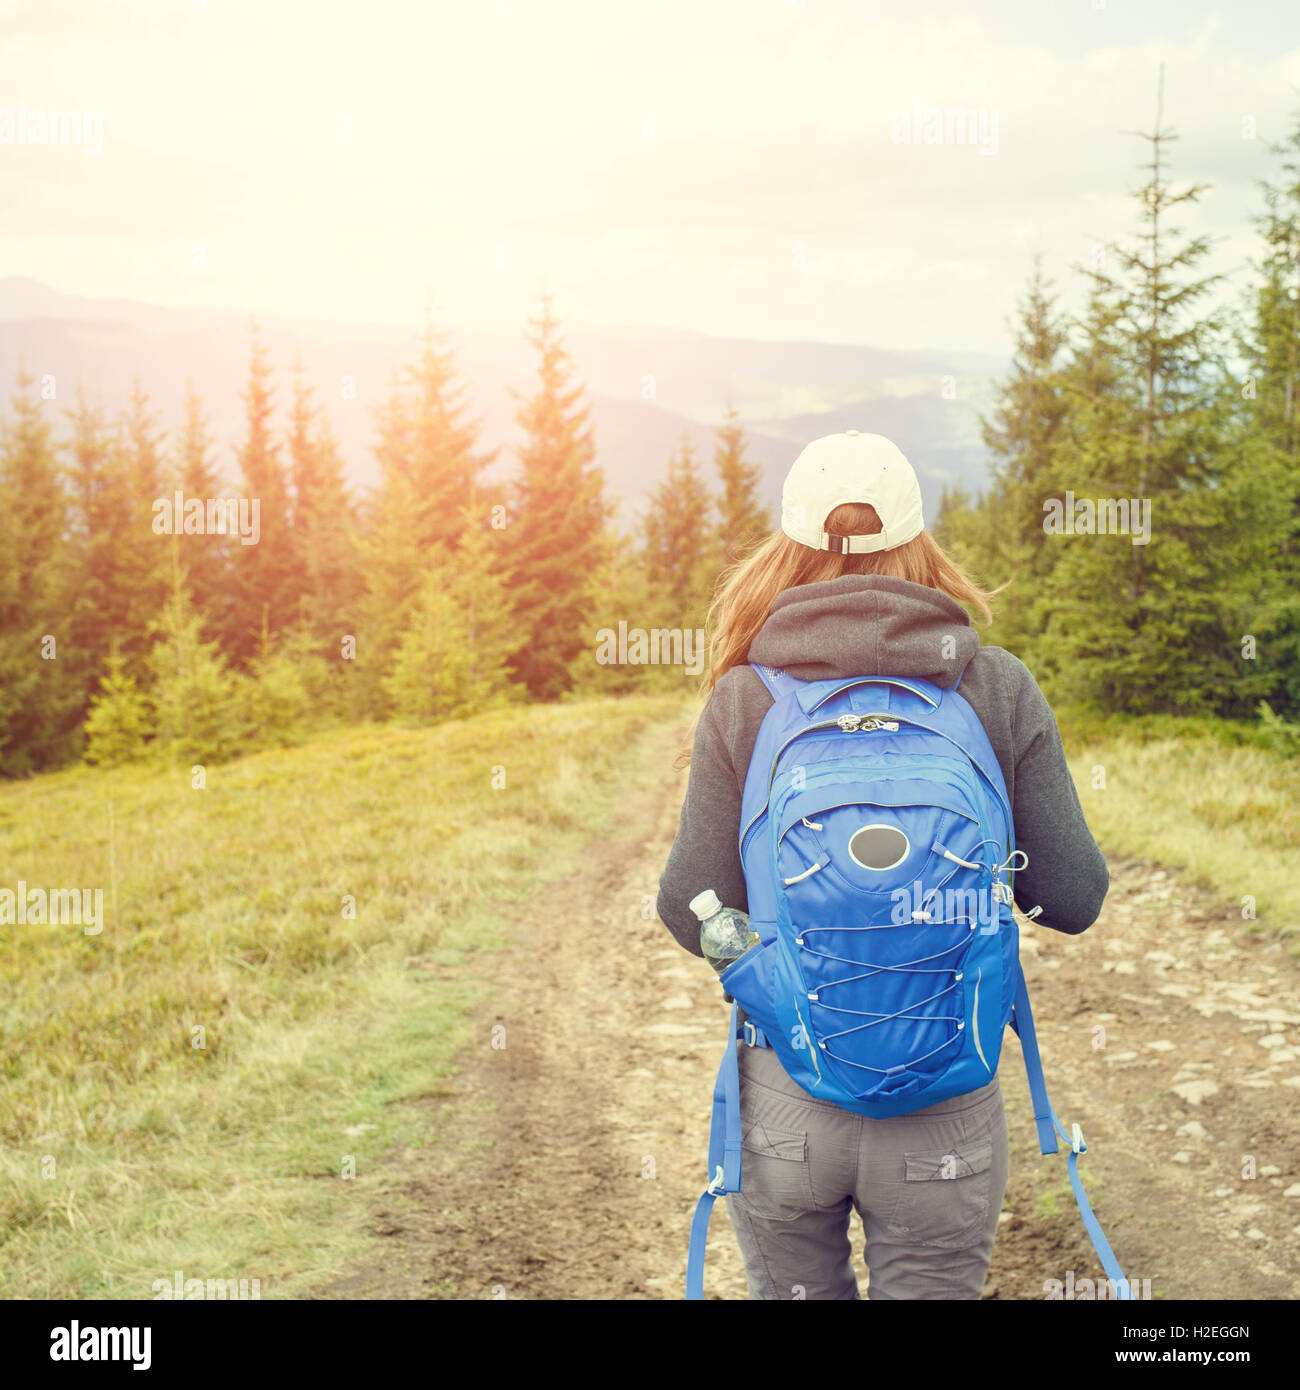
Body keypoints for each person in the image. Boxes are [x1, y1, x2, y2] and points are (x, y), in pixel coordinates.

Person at [656, 430, 1109, 1301]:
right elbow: (1075, 898)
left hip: (786, 1101)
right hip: (946, 1104)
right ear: (918, 540)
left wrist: (773, 979)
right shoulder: (993, 685)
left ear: (785, 545)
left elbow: (687, 903)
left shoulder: (747, 697)